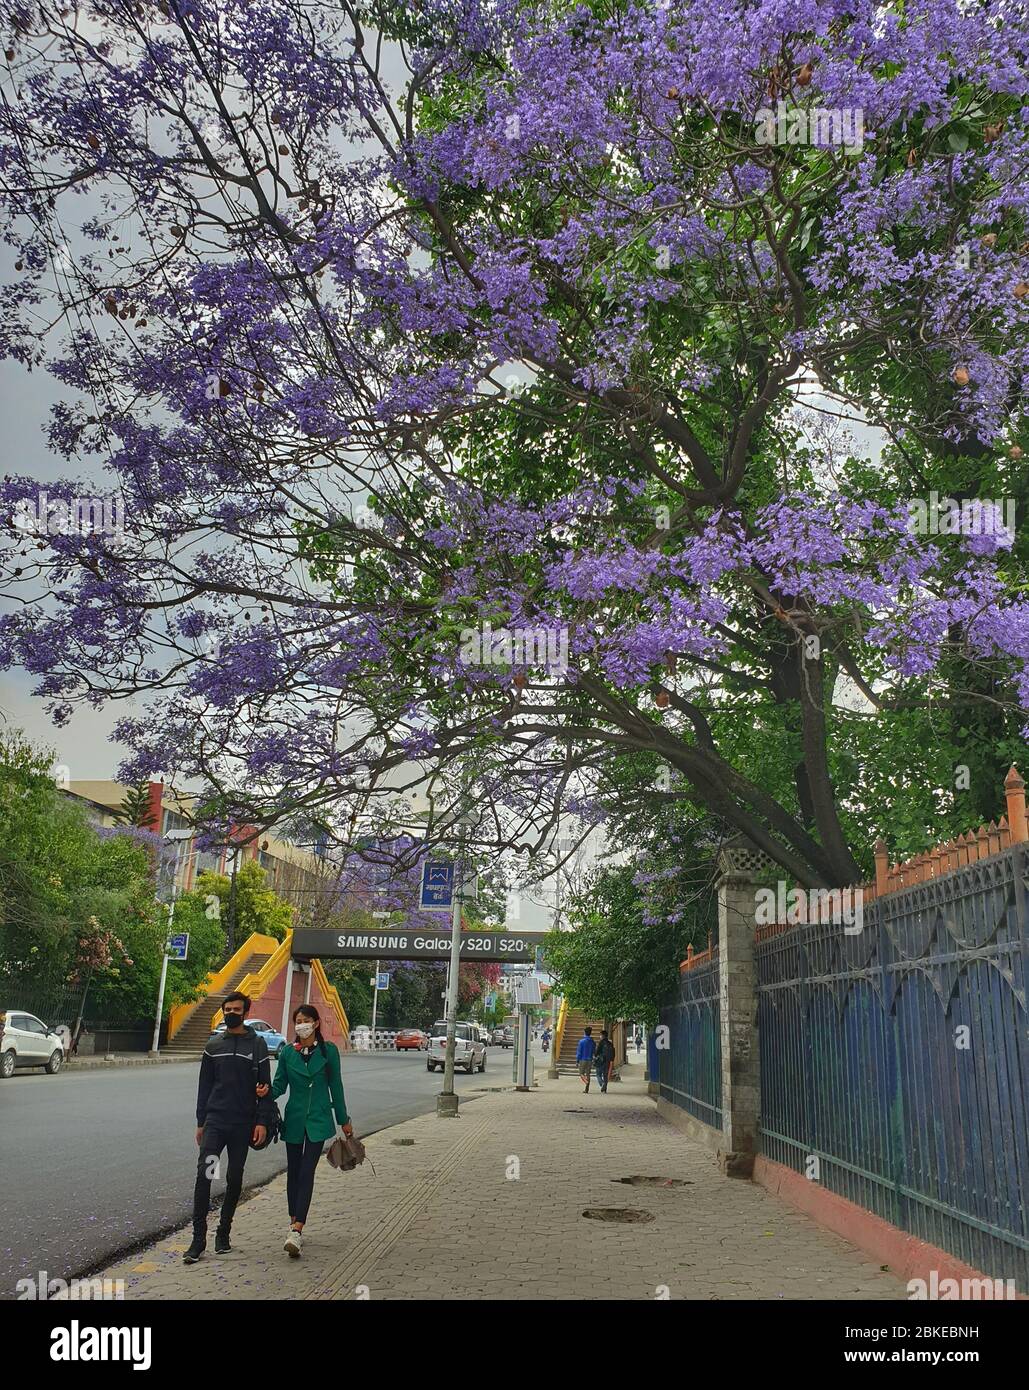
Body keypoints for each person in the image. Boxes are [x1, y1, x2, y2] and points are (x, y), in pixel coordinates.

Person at [184, 990, 269, 1265]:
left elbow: (265, 1089)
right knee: (205, 1175)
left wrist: (261, 1122)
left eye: (236, 1009)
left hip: (242, 1125)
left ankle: (224, 1232)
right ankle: (198, 1240)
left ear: (246, 1012)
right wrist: (201, 1122)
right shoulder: (213, 1045)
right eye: (227, 1009)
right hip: (215, 1124)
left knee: (234, 1178)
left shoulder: (257, 1046)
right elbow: (204, 1086)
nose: (231, 1013)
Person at [271, 1003, 352, 1258]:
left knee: (307, 1171)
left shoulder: (328, 1052)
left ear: (316, 1023)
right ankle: (293, 1219)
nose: (301, 1025)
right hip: (294, 1119)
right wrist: (261, 1093)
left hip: (318, 1120)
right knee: (293, 1172)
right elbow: (279, 1086)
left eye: (306, 1020)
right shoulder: (287, 1054)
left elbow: (335, 1087)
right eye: (298, 1021)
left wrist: (344, 1120)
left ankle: (297, 1228)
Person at [576, 1025, 596, 1092]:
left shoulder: (581, 1041)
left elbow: (579, 1052)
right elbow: (594, 1051)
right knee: (588, 1074)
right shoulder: (593, 1042)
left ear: (584, 1032)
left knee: (581, 1073)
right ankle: (587, 1088)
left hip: (582, 1060)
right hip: (590, 1060)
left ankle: (586, 1082)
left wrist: (577, 1060)